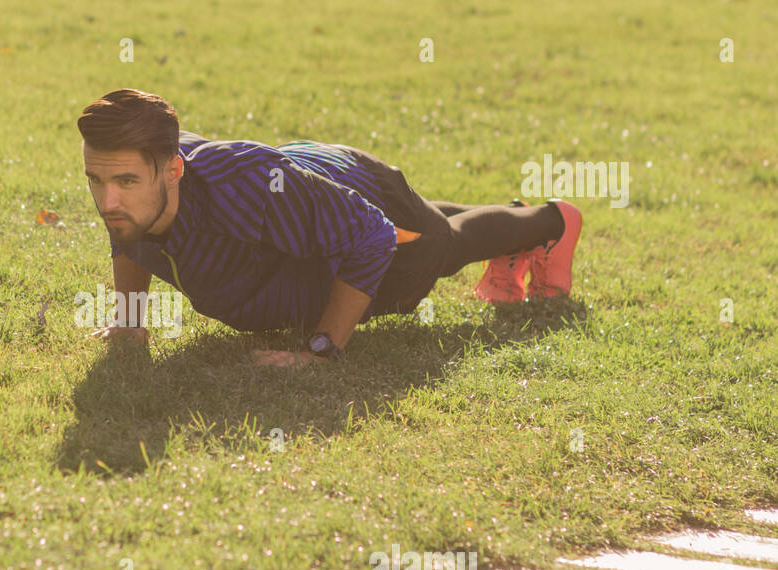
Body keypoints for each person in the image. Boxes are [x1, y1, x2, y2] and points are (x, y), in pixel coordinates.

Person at [80, 89, 582, 366]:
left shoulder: (242, 190)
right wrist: (130, 325)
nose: (109, 200)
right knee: (416, 221)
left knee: (438, 246)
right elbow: (129, 233)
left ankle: (551, 222)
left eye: (124, 180)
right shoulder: (132, 183)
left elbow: (374, 236)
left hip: (364, 201)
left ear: (174, 169)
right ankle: (509, 221)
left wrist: (319, 350)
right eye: (96, 181)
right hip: (313, 188)